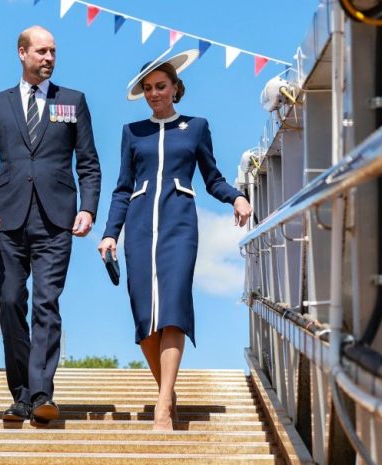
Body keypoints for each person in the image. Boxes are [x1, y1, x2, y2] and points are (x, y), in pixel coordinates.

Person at [97, 50, 252, 431]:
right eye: (148, 88)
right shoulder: (133, 133)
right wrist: (108, 233)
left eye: (160, 86)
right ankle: (167, 390)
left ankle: (163, 404)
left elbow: (212, 177)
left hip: (179, 223)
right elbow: (121, 189)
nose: (154, 94)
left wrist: (237, 196)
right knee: (144, 314)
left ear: (175, 88)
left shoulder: (196, 127)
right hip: (137, 225)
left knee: (173, 307)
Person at [0, 25, 101, 425]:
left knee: (46, 302)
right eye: (41, 51)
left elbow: (89, 164)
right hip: (7, 218)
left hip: (56, 219)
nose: (49, 58)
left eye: (53, 52)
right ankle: (21, 393)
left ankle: (41, 393)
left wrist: (88, 208)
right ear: (22, 53)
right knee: (10, 301)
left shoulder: (73, 101)